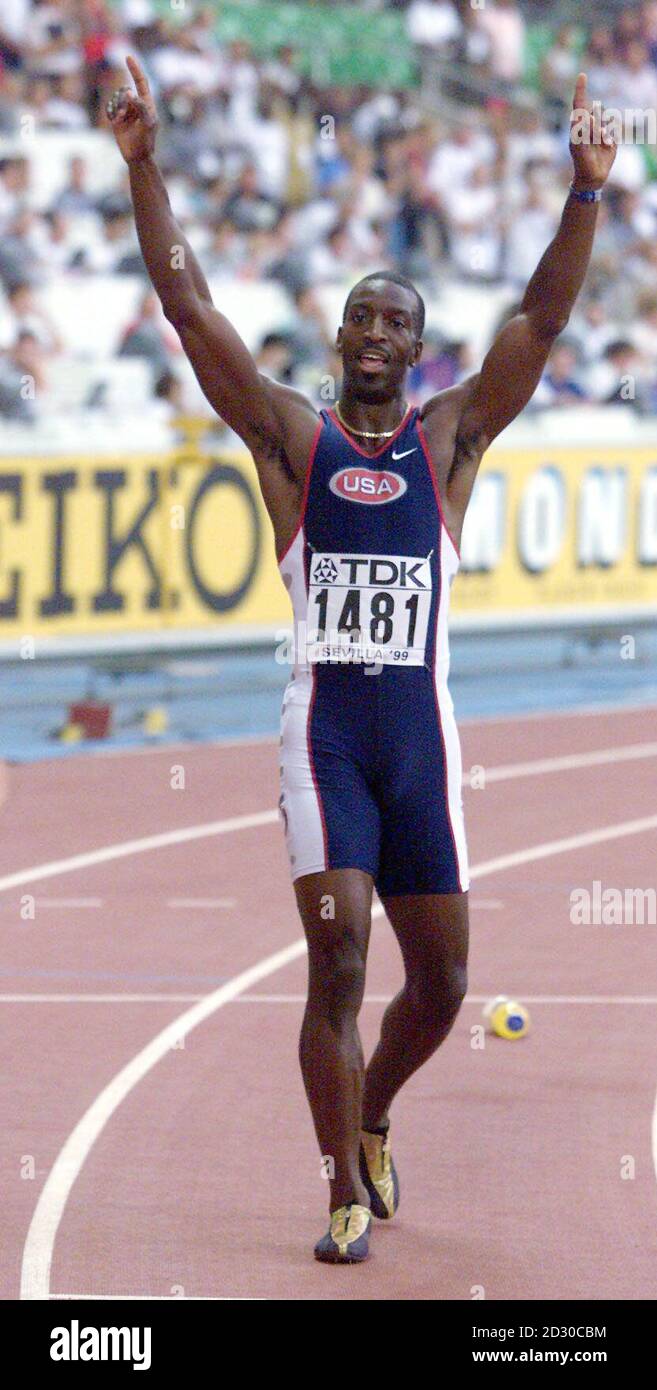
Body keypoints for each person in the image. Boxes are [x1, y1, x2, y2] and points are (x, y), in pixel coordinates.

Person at [108, 59, 616, 1264]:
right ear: (338, 335)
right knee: (336, 957)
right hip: (325, 737)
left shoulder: (453, 442)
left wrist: (585, 195)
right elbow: (189, 313)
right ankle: (341, 1187)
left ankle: (376, 1111)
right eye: (363, 317)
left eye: (399, 322)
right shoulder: (293, 438)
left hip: (419, 748)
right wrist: (145, 167)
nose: (378, 335)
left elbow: (539, 325)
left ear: (418, 349)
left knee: (440, 986)